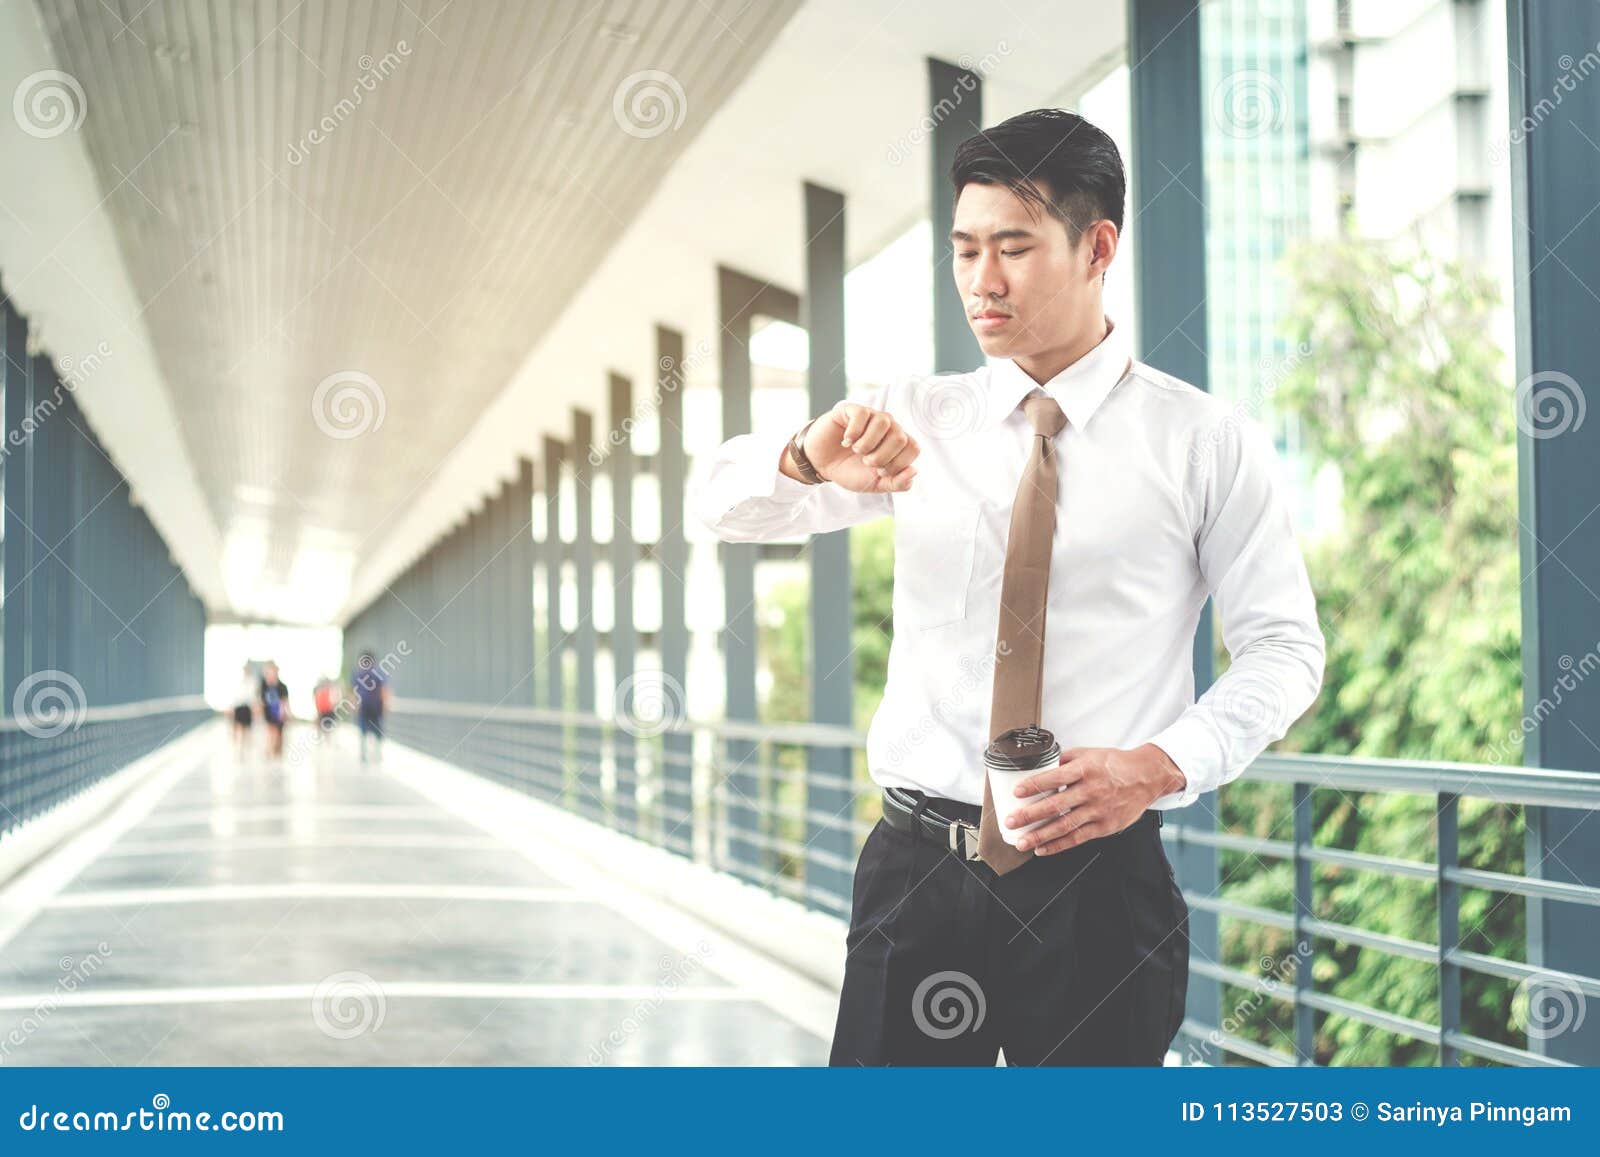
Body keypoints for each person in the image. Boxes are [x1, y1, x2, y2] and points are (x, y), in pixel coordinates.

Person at [692, 108, 1325, 1066]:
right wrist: (805, 460)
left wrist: (1158, 764)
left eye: (1014, 249)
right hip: (916, 875)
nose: (982, 283)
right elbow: (720, 507)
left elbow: (1285, 648)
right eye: (965, 249)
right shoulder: (914, 418)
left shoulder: (1201, 440)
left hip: (1100, 890)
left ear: (1097, 245)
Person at [352, 652, 390, 764]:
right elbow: (384, 690)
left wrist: (355, 706)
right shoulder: (379, 673)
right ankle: (376, 754)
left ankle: (365, 754)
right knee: (377, 729)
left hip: (365, 707)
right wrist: (385, 706)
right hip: (375, 707)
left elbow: (354, 692)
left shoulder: (358, 674)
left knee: (364, 730)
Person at [258, 662, 290, 759]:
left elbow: (285, 701)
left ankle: (276, 751)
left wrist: (285, 712)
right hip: (268, 712)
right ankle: (269, 750)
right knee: (270, 731)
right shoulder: (264, 686)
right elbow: (261, 700)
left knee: (278, 733)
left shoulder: (282, 686)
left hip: (279, 712)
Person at [231, 662, 256, 756]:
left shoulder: (252, 682)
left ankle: (245, 748)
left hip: (247, 708)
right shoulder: (238, 681)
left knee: (247, 730)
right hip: (239, 707)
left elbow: (253, 697)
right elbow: (235, 696)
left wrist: (254, 709)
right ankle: (239, 749)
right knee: (238, 728)